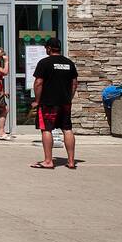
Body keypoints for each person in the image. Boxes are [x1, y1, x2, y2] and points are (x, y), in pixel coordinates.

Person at [31, 37, 79, 170]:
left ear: (49, 48)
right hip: (65, 102)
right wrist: (69, 98)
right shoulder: (69, 63)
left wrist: (36, 101)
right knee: (67, 129)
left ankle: (48, 161)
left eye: (46, 48)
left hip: (48, 102)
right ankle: (70, 161)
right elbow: (74, 83)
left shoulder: (44, 63)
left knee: (46, 129)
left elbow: (38, 83)